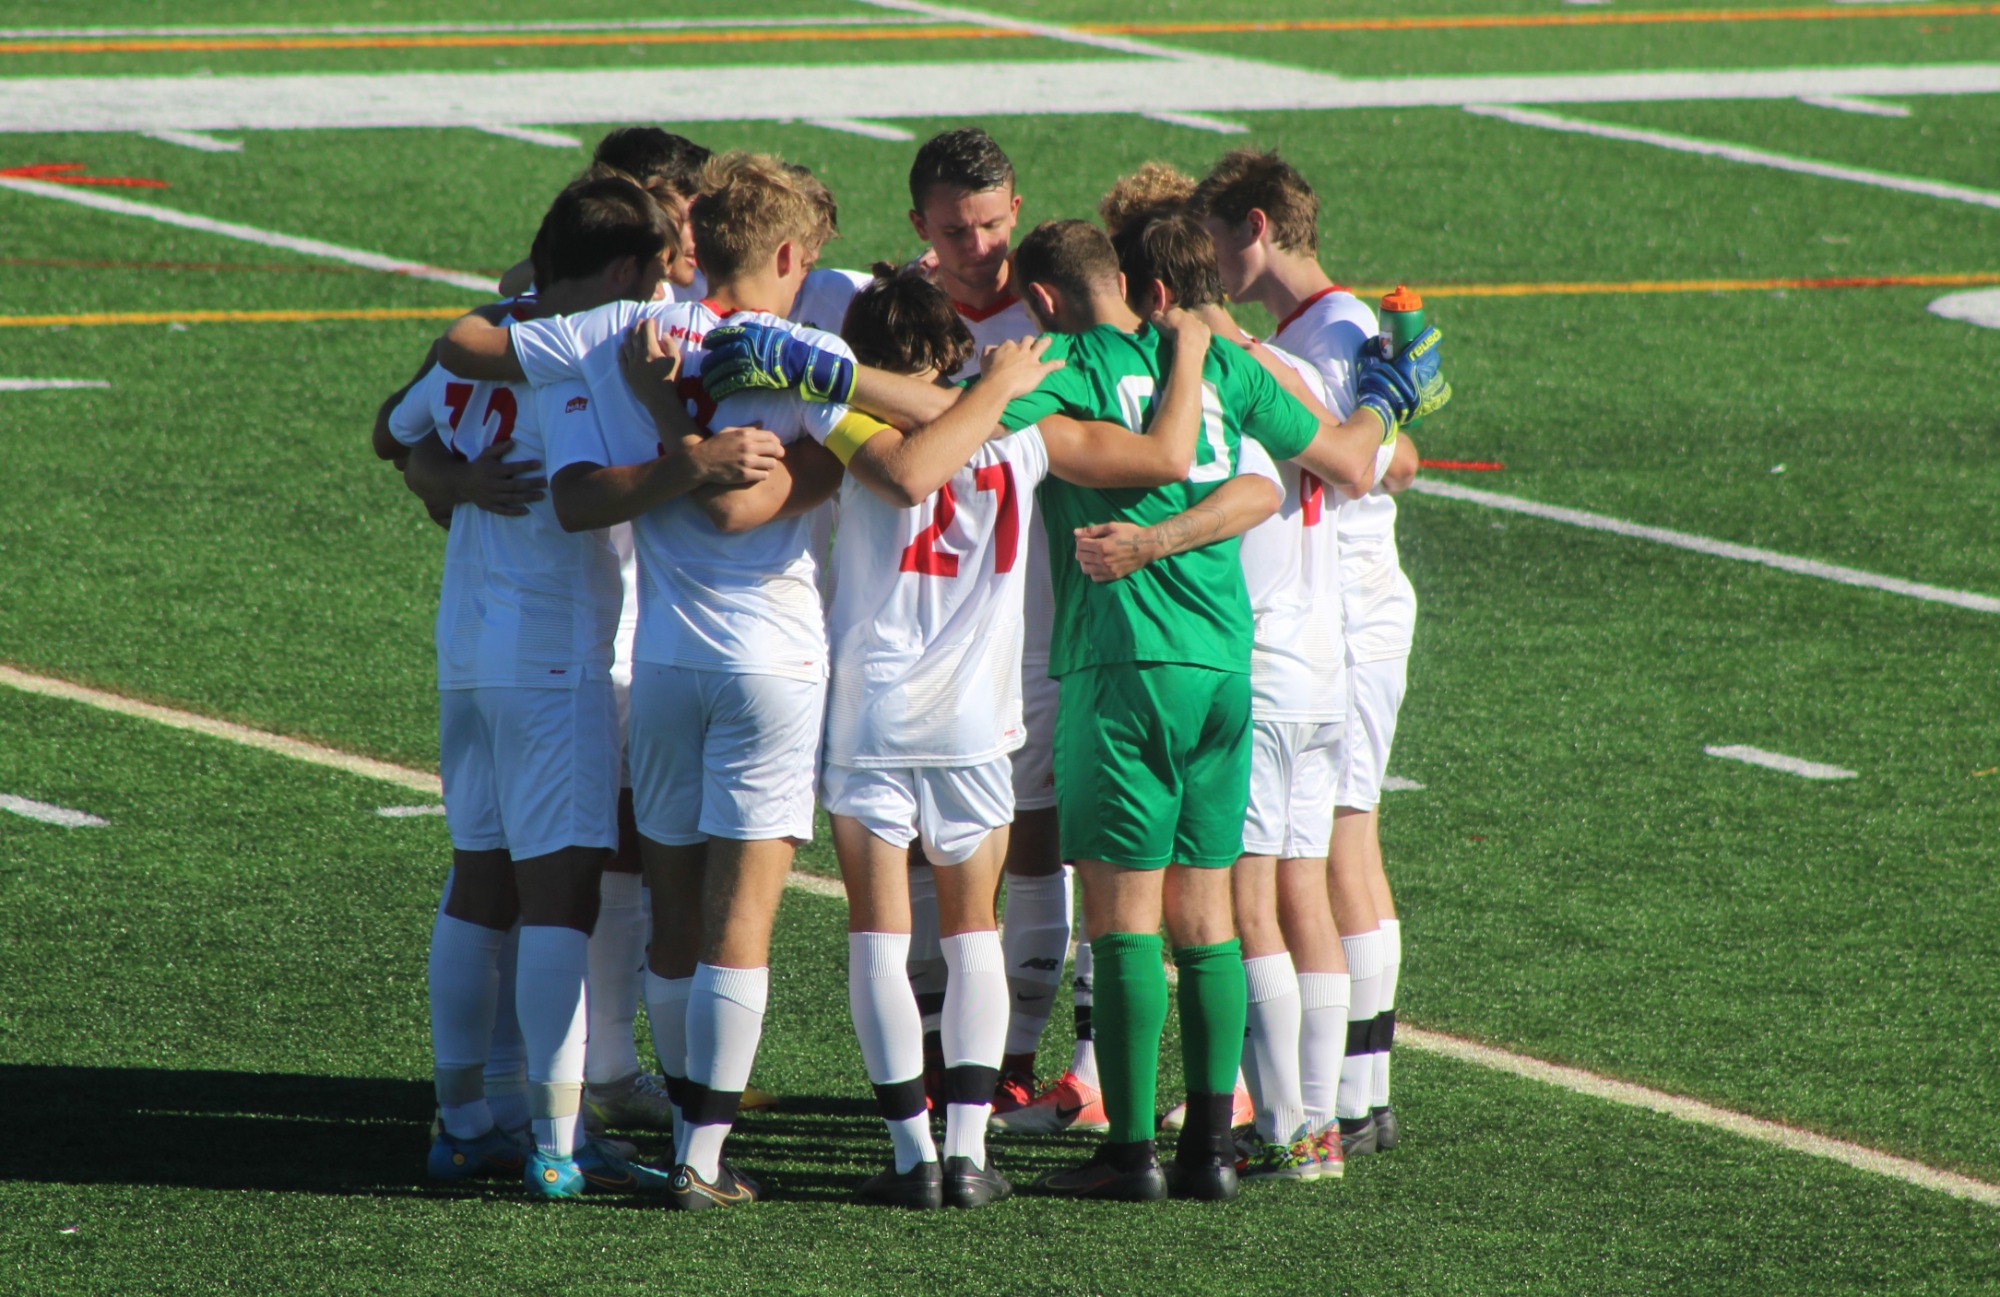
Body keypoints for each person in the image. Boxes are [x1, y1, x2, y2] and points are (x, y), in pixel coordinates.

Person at [698, 217, 1442, 1200]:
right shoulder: (1224, 360)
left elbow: (938, 427)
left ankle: (1118, 1151)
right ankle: (1215, 1146)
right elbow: (1300, 475)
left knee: (1116, 916)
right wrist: (1384, 408)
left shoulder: (1053, 376)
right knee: (1210, 914)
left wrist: (817, 368)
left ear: (1043, 300)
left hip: (1106, 663)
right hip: (1228, 663)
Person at [432, 151, 854, 1209]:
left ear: (689, 247)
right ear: (792, 254)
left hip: (659, 660)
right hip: (764, 660)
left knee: (658, 916)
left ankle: (488, 1113)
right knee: (734, 923)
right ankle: (681, 1153)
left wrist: (661, 421)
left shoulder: (615, 341)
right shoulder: (801, 350)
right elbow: (866, 463)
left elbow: (521, 443)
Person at [752, 269, 1215, 1207]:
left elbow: (894, 456)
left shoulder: (852, 423)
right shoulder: (1025, 439)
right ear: (953, 352)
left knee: (880, 930)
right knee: (974, 930)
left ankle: (908, 1157)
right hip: (977, 720)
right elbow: (1162, 458)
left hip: (874, 712)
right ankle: (968, 1153)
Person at [375, 174, 683, 1198]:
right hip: (554, 655)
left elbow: (392, 427)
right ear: (624, 270)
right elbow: (593, 491)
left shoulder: (500, 327)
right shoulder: (590, 347)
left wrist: (450, 479)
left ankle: (465, 1120)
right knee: (560, 896)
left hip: (465, 649)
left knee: (480, 882)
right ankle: (560, 1141)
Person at [1194, 149, 1424, 1155]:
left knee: (1329, 851)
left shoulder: (1323, 328)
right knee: (1327, 852)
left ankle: (1342, 1097)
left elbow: (1374, 458)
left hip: (1340, 610)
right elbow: (1392, 448)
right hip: (1330, 612)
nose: (1206, 263)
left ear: (1252, 225)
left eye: (1211, 239)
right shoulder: (1319, 328)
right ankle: (1345, 1095)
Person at [904, 126, 1089, 1130]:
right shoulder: (890, 309)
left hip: (1042, 626)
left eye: (987, 222)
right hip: (923, 634)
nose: (974, 244)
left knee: (1035, 848)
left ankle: (1015, 1059)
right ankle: (932, 1062)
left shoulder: (1054, 314)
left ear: (1014, 210)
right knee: (920, 857)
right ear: (918, 226)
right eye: (951, 227)